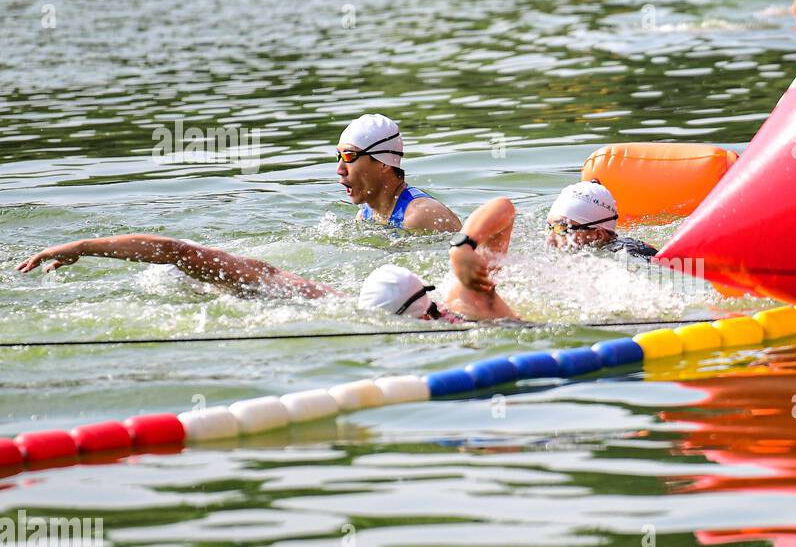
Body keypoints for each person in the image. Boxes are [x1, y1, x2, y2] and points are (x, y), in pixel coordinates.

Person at [16, 199, 519, 322]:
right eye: (431, 314)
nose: (441, 315)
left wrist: (462, 246)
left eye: (435, 309)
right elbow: (181, 253)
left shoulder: (330, 303)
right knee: (206, 276)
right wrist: (81, 246)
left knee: (212, 274)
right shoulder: (469, 306)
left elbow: (184, 252)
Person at [336, 113, 461, 232]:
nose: (339, 170)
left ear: (384, 162)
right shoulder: (364, 215)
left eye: (349, 156)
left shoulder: (422, 214)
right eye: (339, 155)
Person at [545, 180, 658, 259]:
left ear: (598, 235)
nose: (549, 241)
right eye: (549, 227)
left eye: (561, 228)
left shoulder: (627, 256)